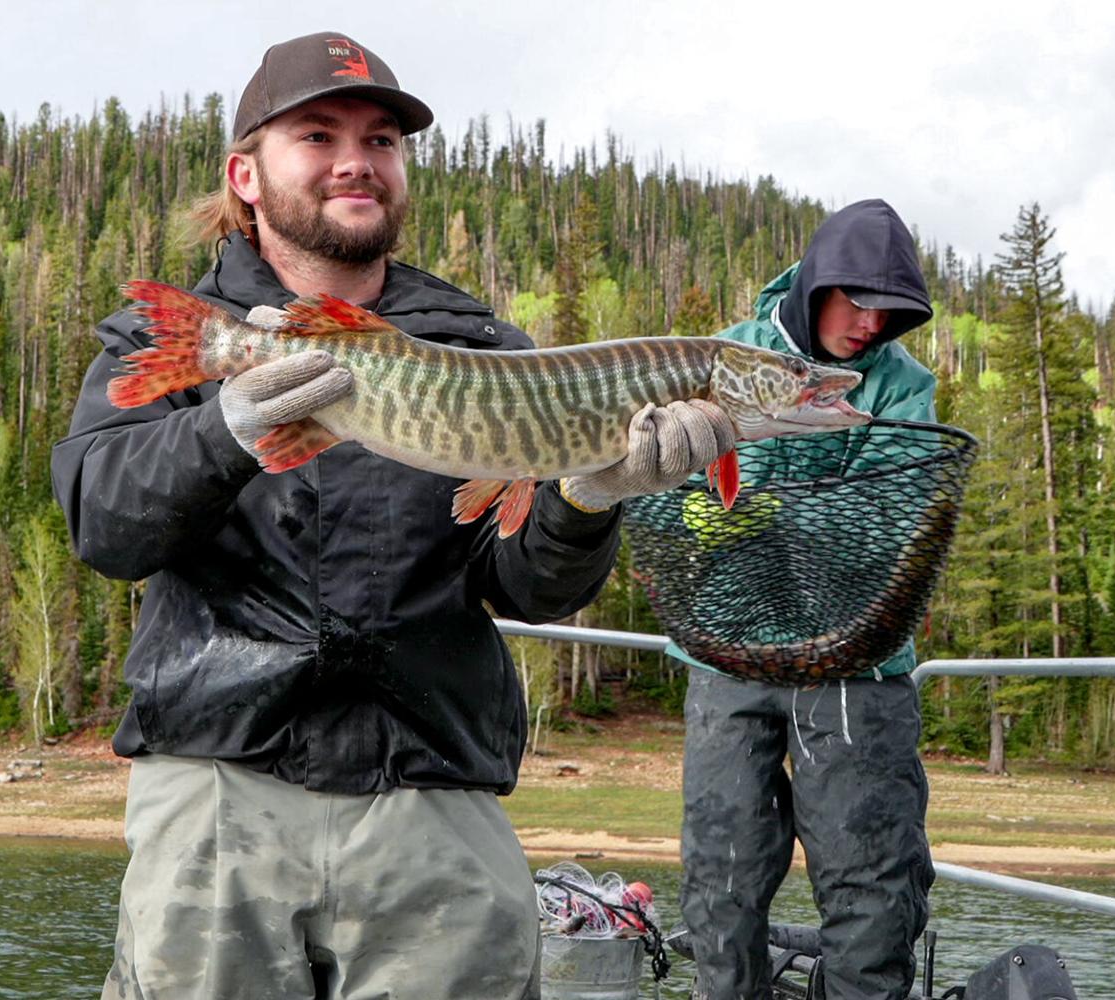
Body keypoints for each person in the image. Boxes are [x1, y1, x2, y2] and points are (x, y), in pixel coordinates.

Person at [50, 31, 735, 1000]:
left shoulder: (484, 347)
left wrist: (587, 495)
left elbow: (528, 586)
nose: (355, 160)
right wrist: (223, 429)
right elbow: (105, 524)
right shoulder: (174, 340)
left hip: (430, 799)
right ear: (245, 174)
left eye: (379, 139)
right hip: (217, 792)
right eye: (318, 135)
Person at [677, 199, 938, 1000]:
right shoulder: (720, 356)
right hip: (730, 649)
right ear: (817, 285)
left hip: (858, 659)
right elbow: (679, 491)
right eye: (856, 301)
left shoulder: (904, 387)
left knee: (872, 882)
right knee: (721, 877)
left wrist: (762, 516)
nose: (870, 324)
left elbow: (888, 520)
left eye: (888, 310)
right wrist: (703, 510)